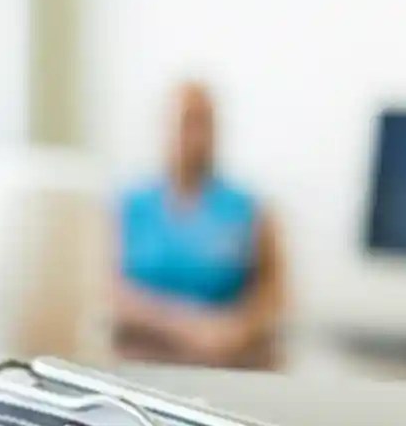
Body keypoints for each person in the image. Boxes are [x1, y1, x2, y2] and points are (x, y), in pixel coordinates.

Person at [113, 82, 286, 367]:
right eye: (186, 122)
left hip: (227, 359)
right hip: (144, 357)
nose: (195, 136)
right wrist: (184, 326)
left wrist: (237, 329)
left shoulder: (247, 208)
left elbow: (274, 292)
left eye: (204, 123)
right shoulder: (132, 206)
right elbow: (112, 291)